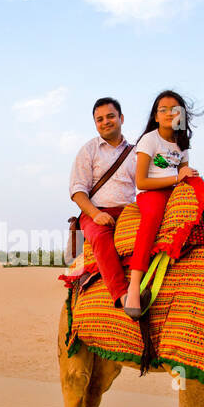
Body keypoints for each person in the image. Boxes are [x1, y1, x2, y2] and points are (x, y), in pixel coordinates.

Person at [123, 90, 204, 317]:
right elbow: (141, 182)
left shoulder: (182, 144)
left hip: (174, 191)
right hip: (154, 192)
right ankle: (134, 286)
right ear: (156, 116)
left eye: (175, 110)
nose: (169, 113)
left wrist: (187, 177)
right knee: (152, 218)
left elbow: (183, 172)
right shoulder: (150, 140)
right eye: (163, 110)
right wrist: (176, 178)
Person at [68, 97, 137, 307]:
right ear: (95, 124)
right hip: (94, 212)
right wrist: (96, 214)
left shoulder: (137, 151)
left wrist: (181, 168)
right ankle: (123, 295)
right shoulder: (88, 150)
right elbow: (77, 191)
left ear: (121, 118)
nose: (105, 122)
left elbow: (159, 167)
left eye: (110, 116)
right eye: (100, 119)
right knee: (101, 237)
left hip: (128, 211)